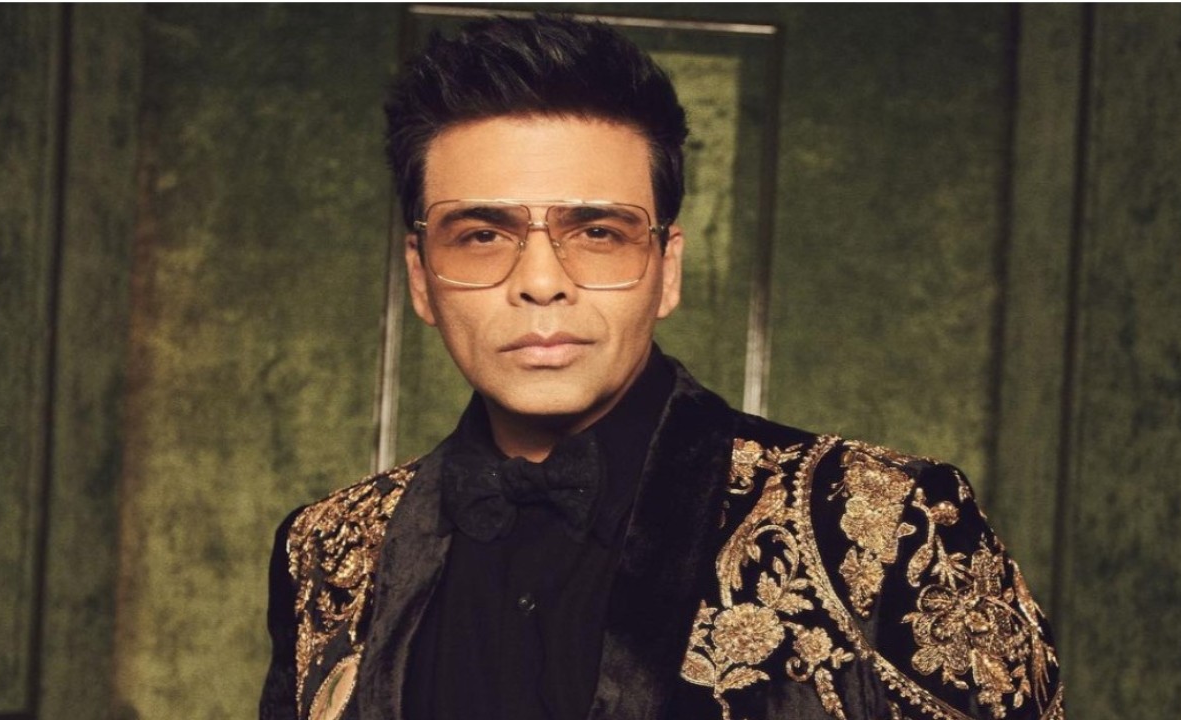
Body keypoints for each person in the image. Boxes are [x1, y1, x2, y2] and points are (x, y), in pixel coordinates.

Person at [260, 13, 1063, 720]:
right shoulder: (326, 549)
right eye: (481, 234)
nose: (540, 281)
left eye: (597, 233)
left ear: (666, 268)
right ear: (420, 277)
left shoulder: (887, 524)